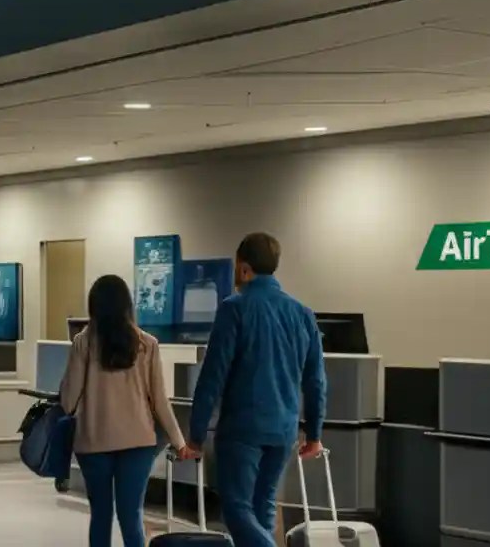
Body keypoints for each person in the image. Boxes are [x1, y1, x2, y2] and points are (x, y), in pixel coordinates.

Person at [186, 233, 327, 547]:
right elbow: (316, 380)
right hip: (283, 432)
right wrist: (314, 434)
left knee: (237, 508)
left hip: (242, 429)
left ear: (244, 267)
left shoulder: (234, 308)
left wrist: (196, 436)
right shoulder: (303, 314)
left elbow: (212, 376)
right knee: (263, 507)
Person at [60, 274, 187, 547]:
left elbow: (68, 401)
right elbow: (160, 402)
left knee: (101, 515)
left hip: (93, 442)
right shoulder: (147, 344)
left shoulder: (83, 343)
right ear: (128, 305)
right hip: (137, 443)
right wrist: (179, 442)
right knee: (131, 516)